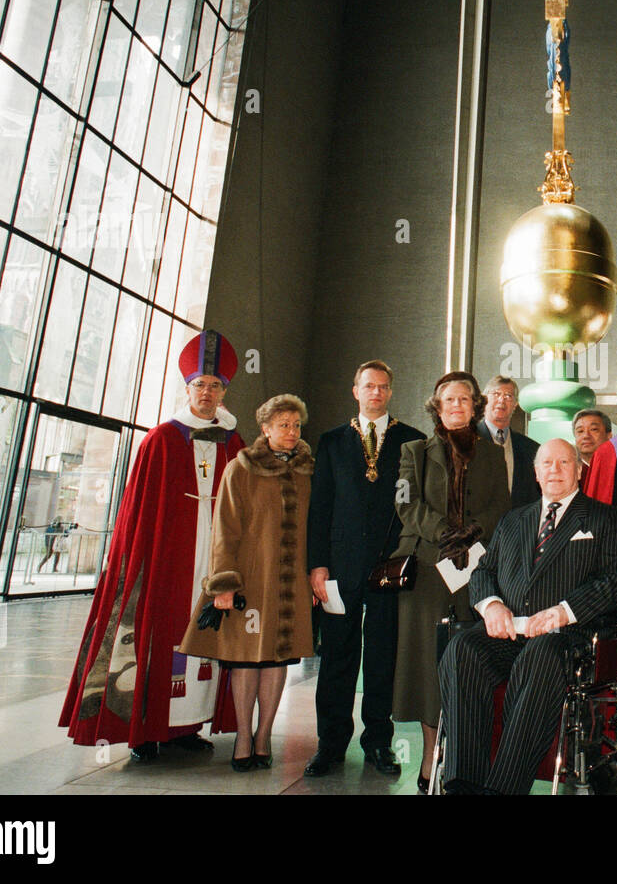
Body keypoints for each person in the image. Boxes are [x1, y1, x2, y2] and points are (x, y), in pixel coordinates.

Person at [60, 330, 244, 760]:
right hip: (166, 559)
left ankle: (185, 727)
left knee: (205, 643)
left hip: (214, 558)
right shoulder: (160, 439)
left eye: (215, 386)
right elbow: (136, 513)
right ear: (187, 388)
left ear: (224, 392)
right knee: (159, 635)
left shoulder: (234, 442)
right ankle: (147, 729)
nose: (207, 392)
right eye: (200, 384)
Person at [438, 439, 617, 794]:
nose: (554, 470)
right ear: (536, 473)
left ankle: (504, 788)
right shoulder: (514, 519)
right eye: (547, 464)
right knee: (462, 649)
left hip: (567, 638)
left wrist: (564, 612)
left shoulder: (605, 518)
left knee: (540, 656)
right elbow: (483, 572)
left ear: (578, 470)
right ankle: (462, 782)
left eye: (563, 463)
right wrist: (492, 605)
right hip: (511, 633)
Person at [303, 361, 426, 778]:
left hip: (389, 568)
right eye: (368, 386)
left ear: (391, 392)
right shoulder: (332, 441)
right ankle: (330, 744)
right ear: (355, 390)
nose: (375, 392)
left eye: (383, 386)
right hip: (338, 567)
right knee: (336, 655)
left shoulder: (412, 440)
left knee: (382, 656)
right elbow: (320, 507)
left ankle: (378, 742)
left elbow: (415, 507)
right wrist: (317, 565)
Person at [179, 394, 314, 770]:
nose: (291, 432)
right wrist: (224, 583)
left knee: (277, 658)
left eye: (296, 425)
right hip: (251, 581)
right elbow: (225, 528)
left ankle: (264, 734)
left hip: (290, 585)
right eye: (283, 425)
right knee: (245, 660)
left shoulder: (309, 472)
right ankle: (242, 733)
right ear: (266, 429)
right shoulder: (241, 469)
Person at [393, 371, 512, 792]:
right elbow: (406, 504)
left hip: (475, 571)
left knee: (467, 665)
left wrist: (473, 532)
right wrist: (446, 532)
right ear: (437, 408)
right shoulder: (414, 451)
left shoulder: (493, 454)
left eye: (465, 400)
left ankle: (464, 761)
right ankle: (429, 758)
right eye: (449, 400)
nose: (457, 406)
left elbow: (502, 505)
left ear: (475, 407)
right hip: (428, 570)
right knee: (428, 667)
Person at [478, 375, 540, 506]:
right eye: (496, 394)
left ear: (515, 405)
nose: (501, 400)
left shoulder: (530, 448)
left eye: (508, 396)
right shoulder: (468, 440)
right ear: (484, 400)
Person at [571, 408, 611, 489]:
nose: (586, 436)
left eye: (593, 429)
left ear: (609, 436)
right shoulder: (570, 472)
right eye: (580, 431)